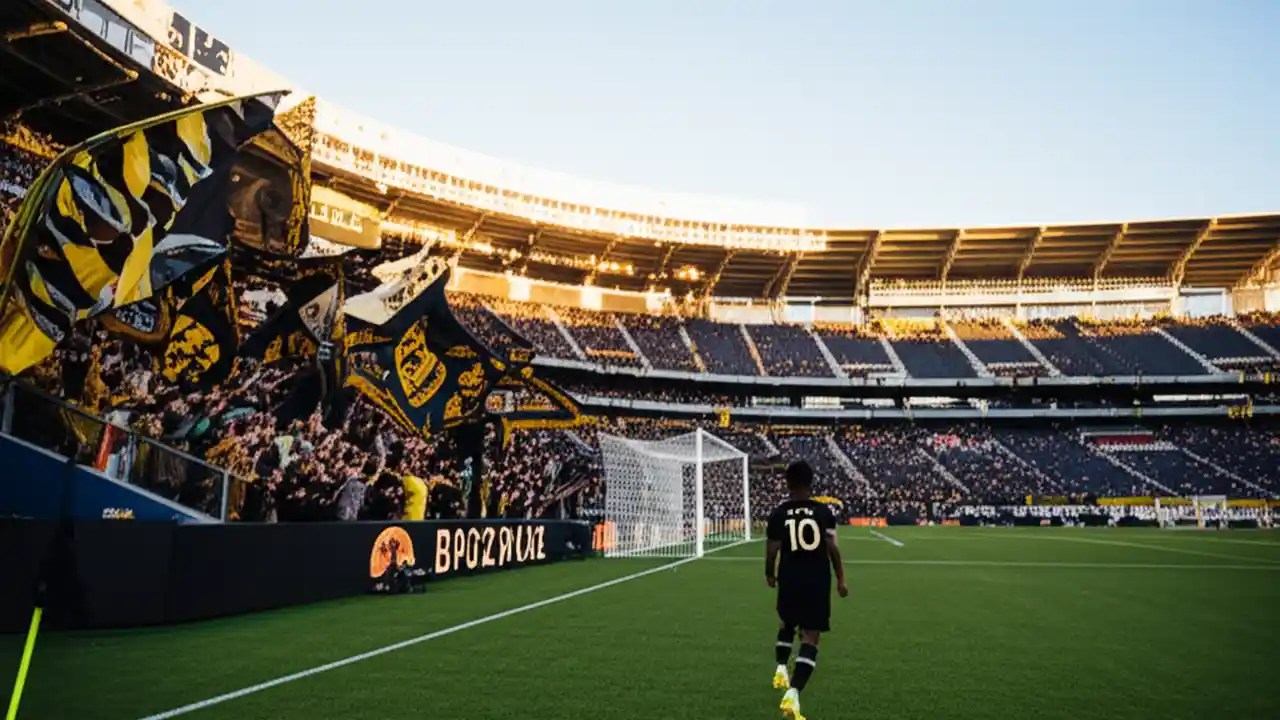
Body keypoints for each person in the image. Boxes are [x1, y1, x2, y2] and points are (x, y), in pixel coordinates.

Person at [765, 460, 848, 720]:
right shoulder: (823, 512)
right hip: (816, 580)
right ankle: (794, 692)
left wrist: (770, 573)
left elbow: (772, 550)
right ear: (811, 483)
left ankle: (781, 667)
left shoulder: (779, 513)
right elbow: (832, 548)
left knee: (786, 622)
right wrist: (841, 579)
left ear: (787, 483)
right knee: (810, 636)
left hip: (789, 578)